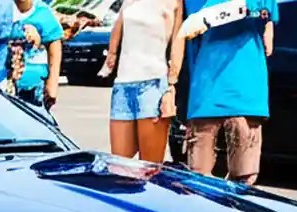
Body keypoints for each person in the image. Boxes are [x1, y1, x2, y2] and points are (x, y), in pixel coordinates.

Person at [181, 0, 277, 185]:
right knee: (242, 180)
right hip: (239, 90)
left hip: (210, 91)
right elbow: (268, 39)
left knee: (199, 180)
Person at [105, 0, 183, 162]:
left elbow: (178, 40)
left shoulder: (174, 2)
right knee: (119, 166)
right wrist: (111, 56)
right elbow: (118, 28)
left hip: (153, 84)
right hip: (123, 84)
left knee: (149, 167)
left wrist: (171, 84)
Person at [9, 0, 63, 108]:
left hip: (35, 87)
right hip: (5, 84)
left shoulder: (42, 12)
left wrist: (52, 85)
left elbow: (55, 44)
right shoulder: (0, 10)